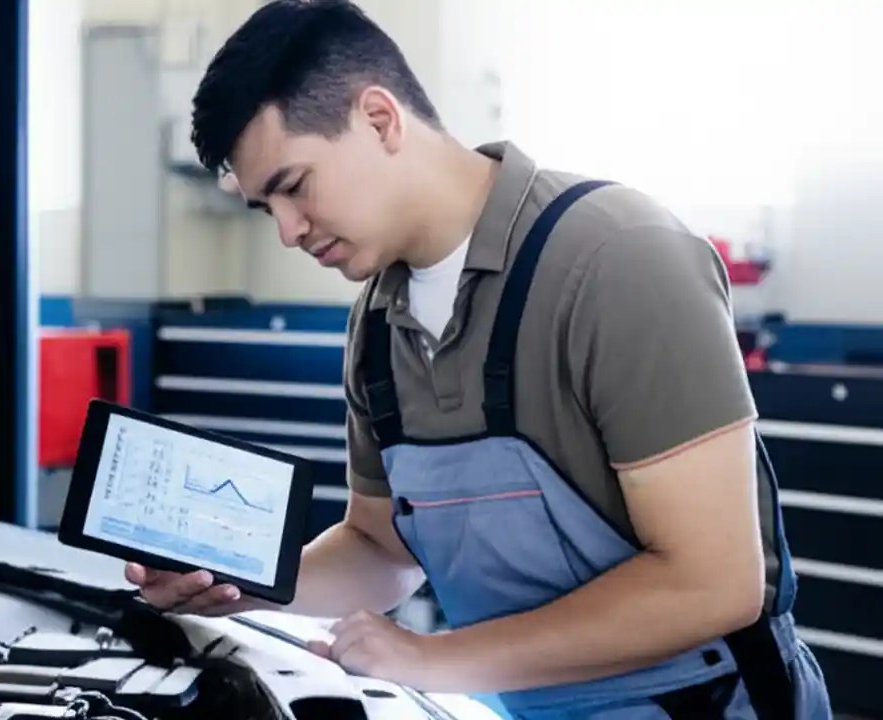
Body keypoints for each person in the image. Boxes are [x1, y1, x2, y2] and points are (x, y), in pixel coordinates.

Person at [125, 1, 831, 717]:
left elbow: (712, 582)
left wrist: (433, 658)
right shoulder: (376, 327)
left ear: (379, 119)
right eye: (264, 208)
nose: (286, 232)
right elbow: (381, 548)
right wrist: (248, 584)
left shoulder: (619, 259)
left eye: (293, 187)